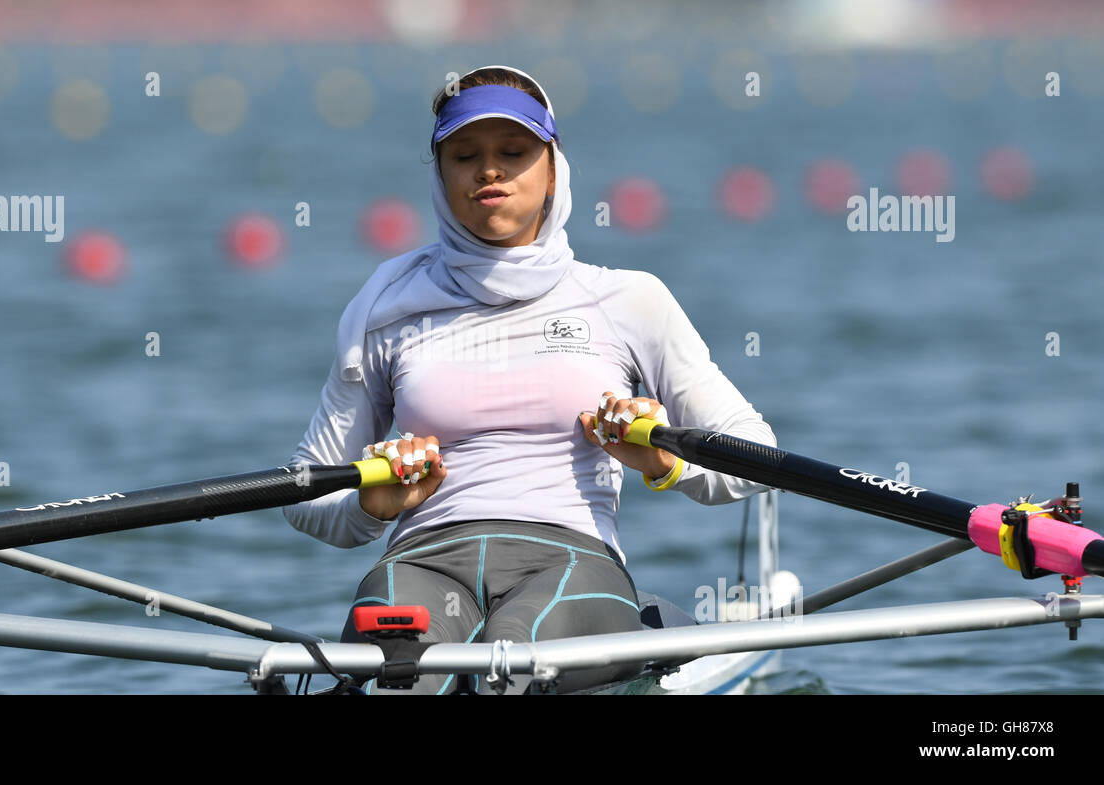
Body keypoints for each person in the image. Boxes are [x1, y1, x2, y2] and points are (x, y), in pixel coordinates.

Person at [283, 65, 776, 694]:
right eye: (465, 156)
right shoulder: (385, 310)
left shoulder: (627, 300)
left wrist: (662, 460)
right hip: (421, 559)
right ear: (440, 176)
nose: (489, 171)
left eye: (513, 153)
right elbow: (307, 493)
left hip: (569, 558)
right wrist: (370, 506)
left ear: (552, 171)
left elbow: (754, 454)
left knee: (504, 670)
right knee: (404, 681)